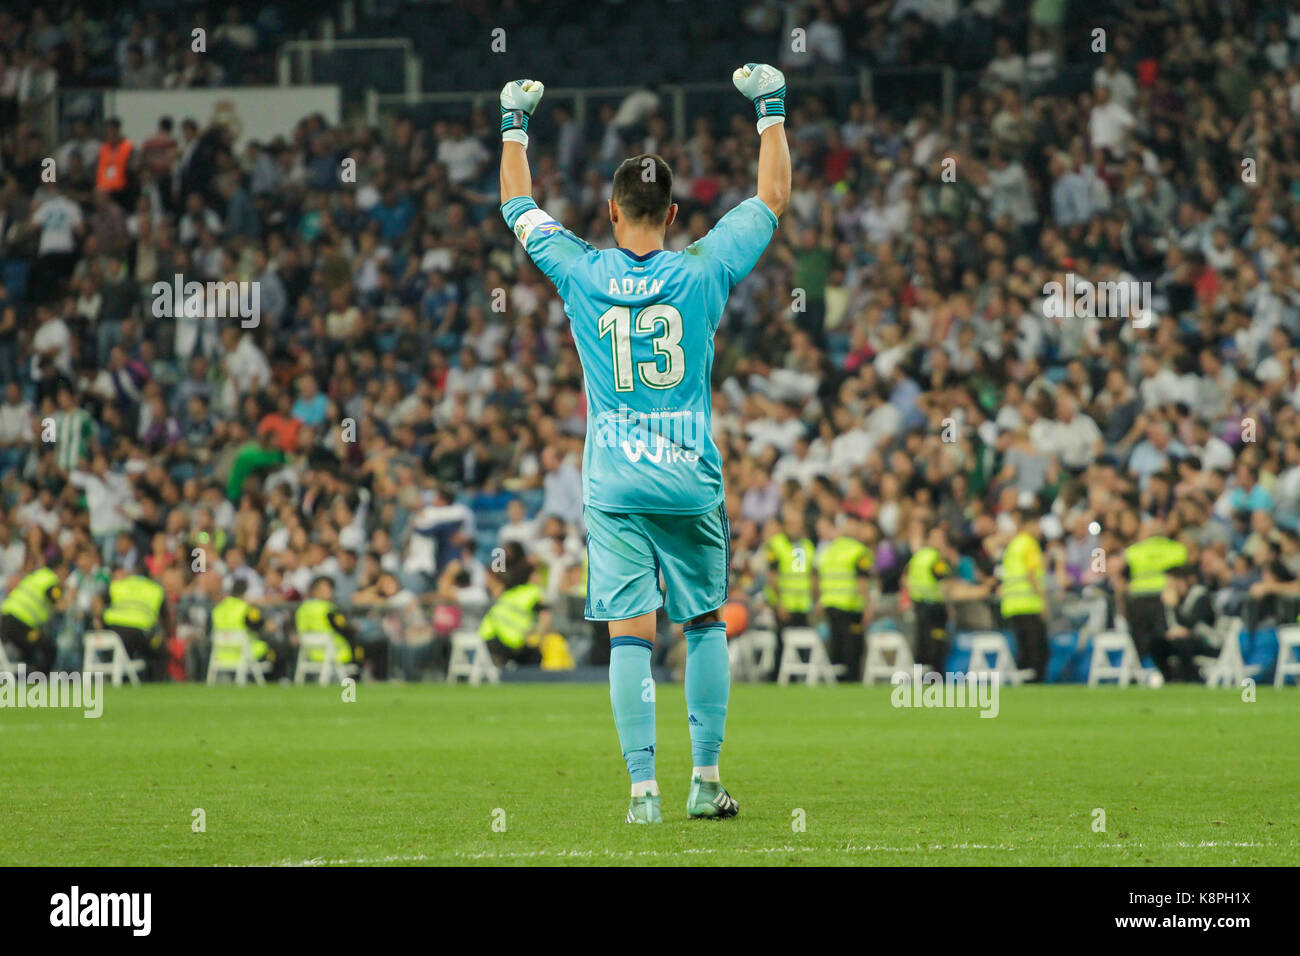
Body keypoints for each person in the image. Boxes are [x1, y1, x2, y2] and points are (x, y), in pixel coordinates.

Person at [497, 62, 790, 823]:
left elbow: (516, 204)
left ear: (611, 207)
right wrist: (770, 108)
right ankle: (705, 780)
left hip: (615, 480)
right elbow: (772, 197)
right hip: (688, 472)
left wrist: (513, 123)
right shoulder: (704, 266)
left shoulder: (582, 270)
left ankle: (641, 793)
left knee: (629, 636)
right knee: (702, 624)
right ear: (674, 212)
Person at [814, 516, 873, 681]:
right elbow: (862, 582)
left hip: (830, 604)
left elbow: (818, 577)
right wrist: (868, 605)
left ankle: (835, 682)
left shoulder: (829, 550)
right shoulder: (859, 551)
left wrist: (820, 599)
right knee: (852, 648)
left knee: (836, 645)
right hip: (850, 605)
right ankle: (850, 681)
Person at [478, 542, 552, 666]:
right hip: (504, 638)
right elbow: (546, 618)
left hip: (500, 637)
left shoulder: (512, 591)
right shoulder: (530, 592)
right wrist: (539, 637)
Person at [762, 507, 814, 680]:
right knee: (782, 645)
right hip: (784, 604)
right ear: (785, 525)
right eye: (793, 524)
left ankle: (802, 678)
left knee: (802, 646)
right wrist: (780, 603)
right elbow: (773, 578)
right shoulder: (776, 545)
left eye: (799, 523)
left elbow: (806, 574)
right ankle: (777, 678)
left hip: (802, 603)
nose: (797, 527)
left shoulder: (805, 546)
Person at [999, 509, 1048, 682]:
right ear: (1029, 525)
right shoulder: (1029, 544)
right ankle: (1035, 683)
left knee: (1023, 650)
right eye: (1037, 524)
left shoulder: (1013, 545)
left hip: (1012, 604)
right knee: (1037, 649)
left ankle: (1024, 682)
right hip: (1029, 604)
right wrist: (1043, 601)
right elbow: (1031, 574)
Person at [101, 565, 168, 680]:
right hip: (140, 631)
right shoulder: (156, 589)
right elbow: (163, 617)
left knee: (122, 652)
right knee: (159, 652)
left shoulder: (117, 585)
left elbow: (101, 605)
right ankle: (154, 682)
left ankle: (117, 678)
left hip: (113, 629)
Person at [0, 562, 66, 674]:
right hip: (19, 622)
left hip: (6, 618)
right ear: (59, 569)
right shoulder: (51, 579)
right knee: (49, 647)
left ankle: (28, 675)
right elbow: (57, 601)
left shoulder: (37, 575)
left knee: (29, 650)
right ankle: (41, 679)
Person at [209, 579, 282, 679]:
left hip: (220, 652)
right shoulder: (246, 608)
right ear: (245, 593)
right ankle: (277, 680)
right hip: (243, 651)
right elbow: (260, 626)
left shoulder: (218, 608)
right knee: (275, 648)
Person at [906, 525, 953, 675]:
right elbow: (945, 583)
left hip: (918, 605)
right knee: (936, 645)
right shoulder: (936, 558)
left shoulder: (917, 557)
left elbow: (905, 579)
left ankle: (921, 676)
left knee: (922, 643)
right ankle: (936, 677)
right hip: (934, 607)